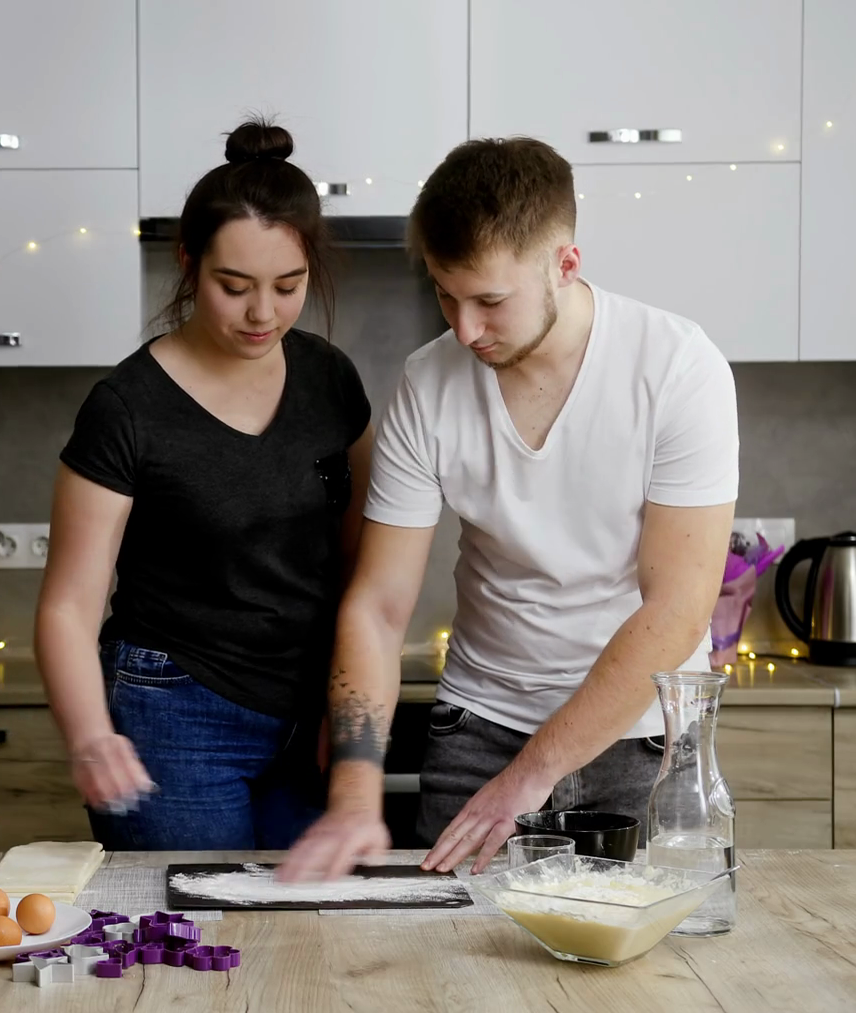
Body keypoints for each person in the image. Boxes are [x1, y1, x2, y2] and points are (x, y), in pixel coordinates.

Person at [281, 136, 737, 879]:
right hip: (478, 730)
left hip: (644, 738)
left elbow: (677, 610)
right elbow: (378, 606)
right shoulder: (428, 385)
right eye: (444, 294)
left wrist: (531, 777)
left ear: (564, 264)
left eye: (490, 300)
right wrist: (357, 793)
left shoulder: (678, 370)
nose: (464, 329)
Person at [35, 120, 374, 851]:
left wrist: (343, 717)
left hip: (305, 709)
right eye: (234, 286)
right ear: (189, 262)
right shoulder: (127, 408)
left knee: (308, 941)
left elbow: (360, 568)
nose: (263, 313)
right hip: (173, 714)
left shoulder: (329, 379)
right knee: (200, 938)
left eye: (288, 286)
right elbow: (69, 603)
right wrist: (91, 732)